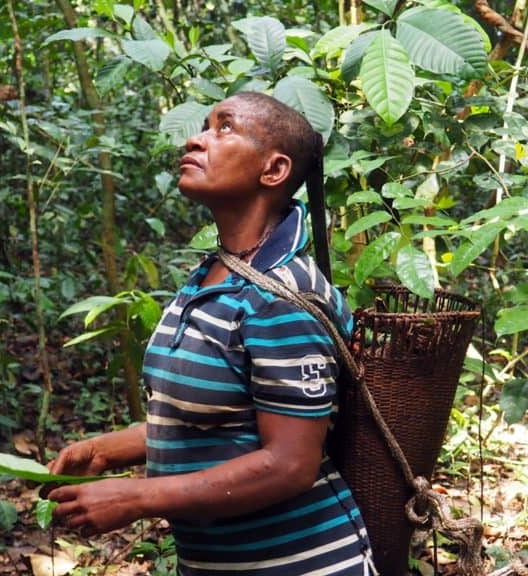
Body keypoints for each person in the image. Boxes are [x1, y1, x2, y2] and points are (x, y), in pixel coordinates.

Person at [47, 91, 376, 575]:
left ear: (274, 170)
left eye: (224, 128)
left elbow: (290, 463)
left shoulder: (282, 295)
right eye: (204, 126)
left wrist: (139, 497)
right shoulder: (213, 275)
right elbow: (217, 419)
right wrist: (105, 450)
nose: (195, 140)